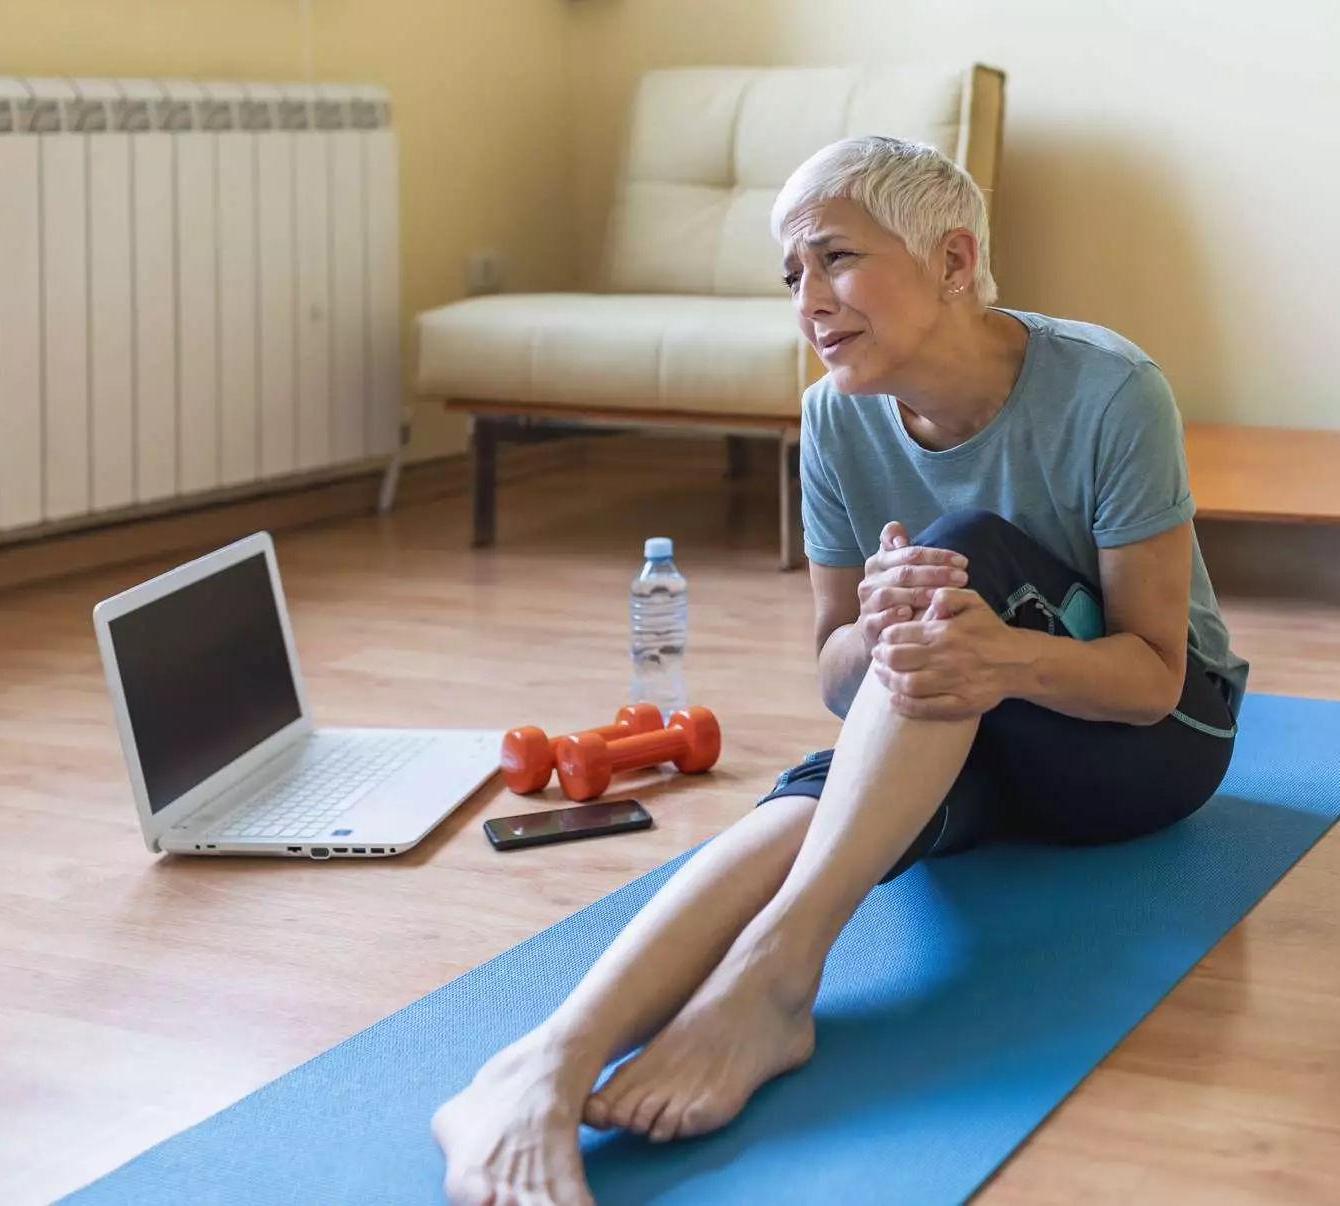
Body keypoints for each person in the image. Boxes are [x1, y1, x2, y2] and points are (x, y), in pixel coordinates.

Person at [432, 136, 1250, 1206]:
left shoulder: (1109, 389)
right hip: (971, 721)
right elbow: (835, 671)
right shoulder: (830, 413)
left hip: (1151, 746)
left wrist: (995, 650)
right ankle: (539, 1063)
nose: (808, 300)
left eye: (835, 258)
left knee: (960, 551)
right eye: (790, 275)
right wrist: (874, 631)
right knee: (821, 786)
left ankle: (775, 975)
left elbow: (1152, 676)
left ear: (954, 261)